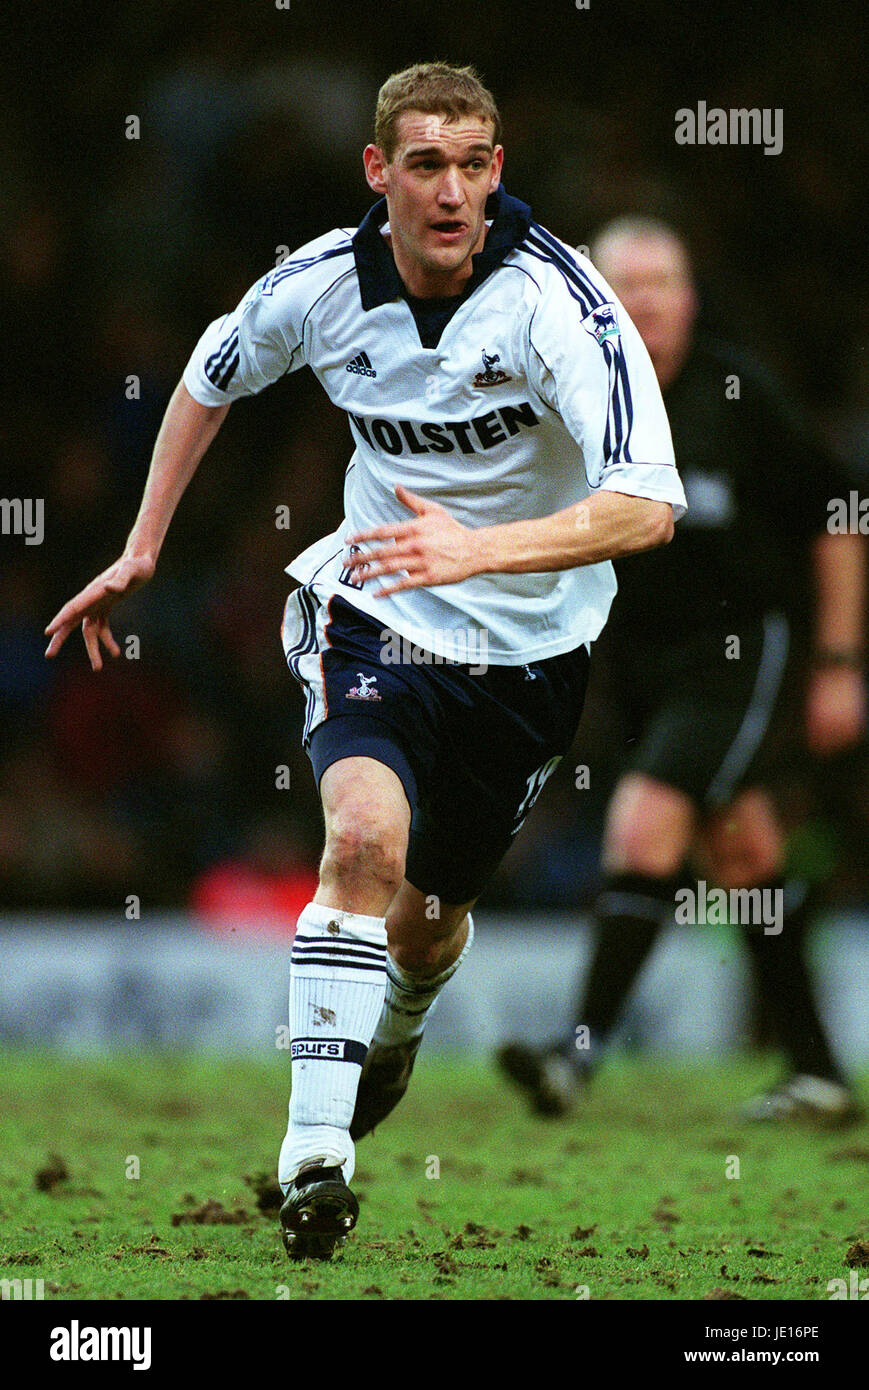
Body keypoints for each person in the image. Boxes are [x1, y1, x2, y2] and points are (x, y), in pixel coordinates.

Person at [44, 65, 686, 1260]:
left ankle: (392, 1032)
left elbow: (646, 507)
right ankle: (316, 1159)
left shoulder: (561, 305)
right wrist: (141, 547)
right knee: (357, 843)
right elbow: (207, 374)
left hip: (533, 648)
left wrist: (476, 548)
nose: (451, 190)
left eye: (472, 165)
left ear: (498, 170)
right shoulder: (318, 287)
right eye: (425, 164)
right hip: (375, 610)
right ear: (377, 171)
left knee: (431, 922)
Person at [497, 216, 866, 1126]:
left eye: (663, 281)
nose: (647, 300)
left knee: (642, 826)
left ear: (690, 298)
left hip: (743, 651)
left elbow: (842, 513)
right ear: (591, 303)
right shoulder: (575, 398)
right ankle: (817, 1072)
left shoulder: (738, 395)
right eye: (626, 283)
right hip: (639, 663)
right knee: (742, 852)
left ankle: (574, 1058)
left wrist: (840, 662)